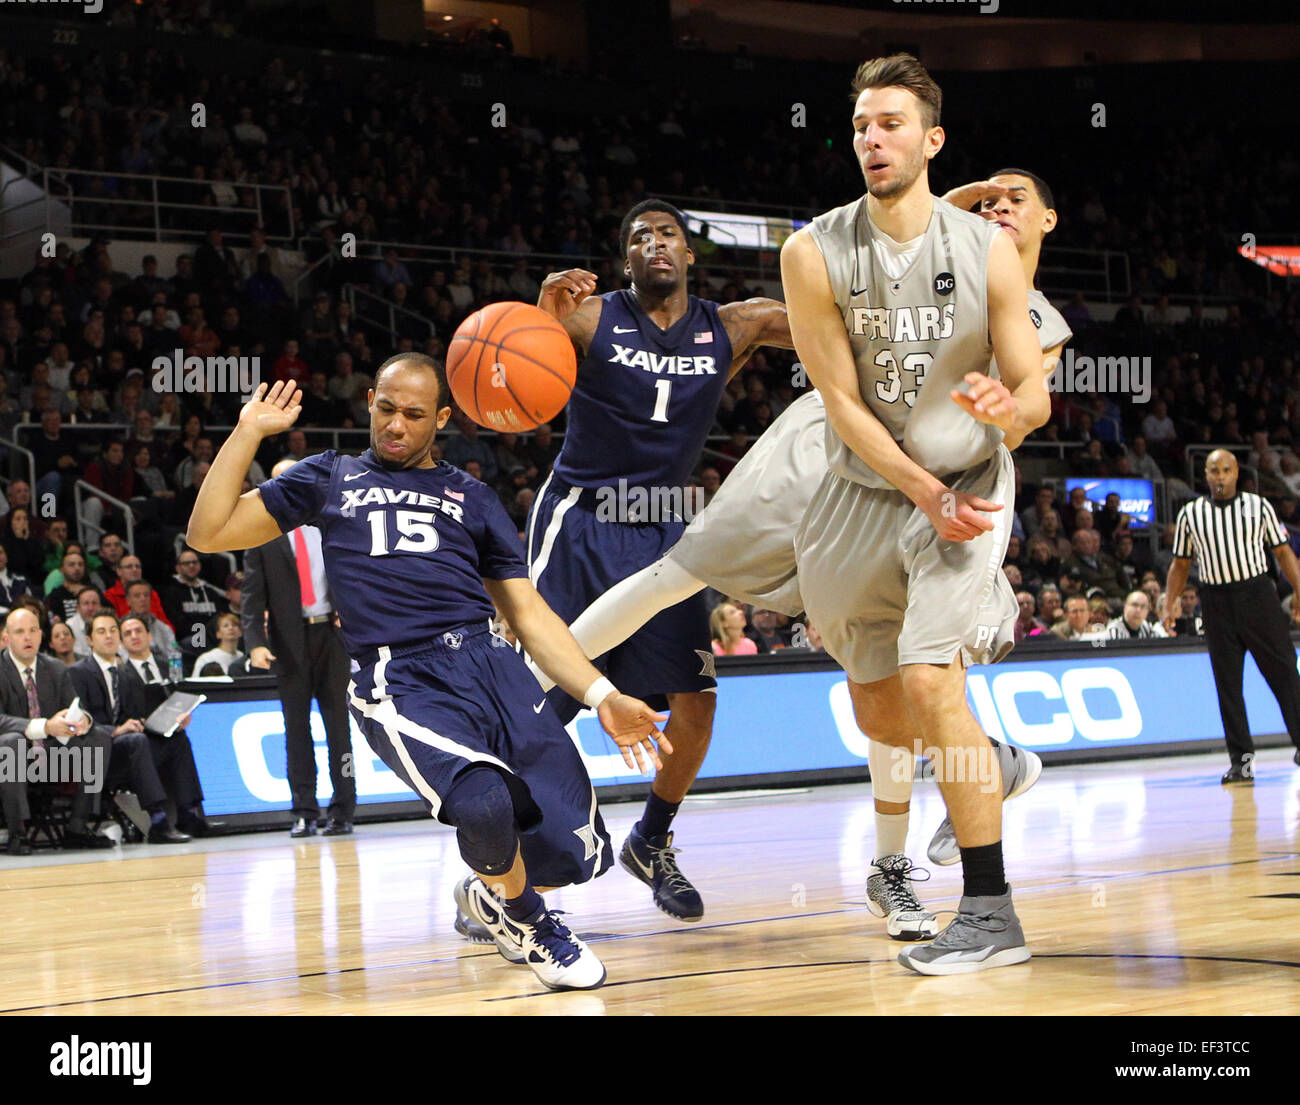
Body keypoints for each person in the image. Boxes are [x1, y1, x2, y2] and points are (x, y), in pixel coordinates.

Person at [526, 165, 1069, 943]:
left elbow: (1027, 408)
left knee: (891, 668)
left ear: (1048, 224)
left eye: (1019, 201)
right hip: (828, 437)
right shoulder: (941, 248)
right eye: (989, 198)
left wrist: (1004, 413)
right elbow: (879, 243)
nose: (999, 208)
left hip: (934, 477)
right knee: (690, 574)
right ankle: (982, 769)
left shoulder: (1032, 315)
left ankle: (900, 860)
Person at [189, 368, 670, 992]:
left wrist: (600, 694)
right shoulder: (328, 476)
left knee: (568, 849)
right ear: (369, 403)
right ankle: (532, 924)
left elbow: (527, 612)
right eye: (386, 408)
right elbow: (208, 532)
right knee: (484, 805)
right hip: (399, 675)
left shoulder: (472, 496)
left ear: (441, 419)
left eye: (414, 414)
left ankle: (493, 894)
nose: (396, 424)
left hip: (491, 664)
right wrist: (247, 433)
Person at [782, 55, 1052, 974]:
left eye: (891, 124)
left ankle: (990, 910)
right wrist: (916, 489)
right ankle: (996, 762)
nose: (871, 140)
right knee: (883, 713)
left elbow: (1034, 394)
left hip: (968, 486)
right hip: (867, 489)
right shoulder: (813, 249)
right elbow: (841, 402)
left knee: (935, 684)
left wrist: (1004, 412)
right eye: (861, 126)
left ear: (932, 141)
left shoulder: (988, 250)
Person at [527, 198, 793, 924]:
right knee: (543, 703)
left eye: (667, 232)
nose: (654, 242)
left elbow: (831, 326)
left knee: (697, 706)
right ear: (625, 261)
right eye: (639, 235)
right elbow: (515, 380)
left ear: (690, 252)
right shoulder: (590, 319)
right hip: (582, 518)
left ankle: (650, 838)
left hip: (668, 532)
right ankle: (508, 873)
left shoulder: (733, 325)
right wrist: (541, 315)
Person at [1164, 449, 1300, 783]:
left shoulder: (1258, 506)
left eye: (1226, 470)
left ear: (1237, 472)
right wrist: (1170, 604)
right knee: (1228, 684)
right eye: (1214, 471)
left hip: (1258, 597)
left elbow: (1283, 552)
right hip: (1216, 602)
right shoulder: (1191, 513)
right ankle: (1241, 761)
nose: (1221, 476)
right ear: (1206, 475)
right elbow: (1180, 564)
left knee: (1285, 675)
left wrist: (1299, 590)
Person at [241, 457, 357, 837]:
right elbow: (251, 598)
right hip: (289, 642)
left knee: (340, 727)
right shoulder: (262, 536)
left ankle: (344, 809)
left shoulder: (333, 523)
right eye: (278, 481)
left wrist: (353, 611)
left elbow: (358, 573)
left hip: (332, 636)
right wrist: (255, 644)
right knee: (296, 729)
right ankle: (303, 810)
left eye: (292, 478)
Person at [68, 610, 203, 841]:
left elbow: (136, 717)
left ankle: (188, 814)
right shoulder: (77, 673)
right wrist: (117, 731)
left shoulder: (125, 675)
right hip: (94, 753)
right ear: (89, 640)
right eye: (101, 632)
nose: (109, 636)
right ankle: (158, 821)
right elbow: (77, 723)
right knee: (136, 741)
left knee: (176, 738)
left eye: (113, 631)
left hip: (127, 749)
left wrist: (169, 724)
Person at [0, 607, 109, 853]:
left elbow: (77, 707)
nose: (27, 638)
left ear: (41, 635)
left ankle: (78, 828)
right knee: (11, 741)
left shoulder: (56, 668)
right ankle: (18, 834)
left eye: (33, 631)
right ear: (6, 639)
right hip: (9, 758)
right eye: (19, 632)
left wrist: (82, 721)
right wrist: (45, 726)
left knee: (98, 737)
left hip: (51, 755)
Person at [160, 547, 227, 665]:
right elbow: (177, 622)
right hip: (188, 639)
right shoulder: (171, 592)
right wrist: (201, 632)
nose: (191, 566)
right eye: (186, 563)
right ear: (178, 568)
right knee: (196, 642)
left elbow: (219, 616)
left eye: (194, 562)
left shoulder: (210, 592)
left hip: (212, 636)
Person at [192, 612, 247, 676]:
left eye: (234, 625)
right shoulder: (206, 658)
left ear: (240, 632)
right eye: (225, 626)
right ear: (218, 634)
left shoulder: (243, 658)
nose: (231, 628)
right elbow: (195, 683)